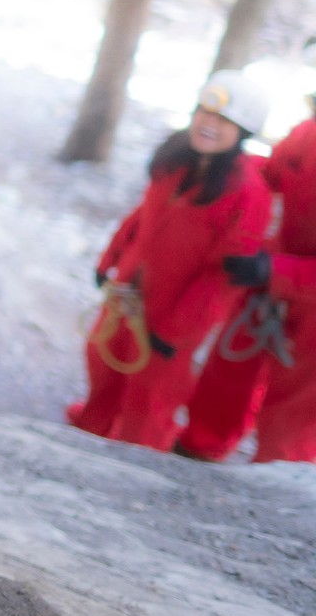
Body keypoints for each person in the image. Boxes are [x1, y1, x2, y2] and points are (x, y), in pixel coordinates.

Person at [67, 74, 274, 452]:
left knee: (151, 392)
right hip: (129, 292)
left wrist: (175, 331)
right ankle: (91, 428)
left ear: (243, 131)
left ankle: (139, 457)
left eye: (223, 120)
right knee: (104, 360)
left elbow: (221, 278)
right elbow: (142, 216)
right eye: (204, 112)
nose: (208, 124)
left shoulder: (248, 193)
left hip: (174, 313)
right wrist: (110, 260)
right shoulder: (176, 161)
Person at [177, 74, 315, 463]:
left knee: (298, 406)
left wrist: (277, 271)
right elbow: (274, 172)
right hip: (271, 275)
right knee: (231, 367)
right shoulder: (308, 133)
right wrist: (222, 158)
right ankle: (200, 444)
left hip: (292, 285)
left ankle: (280, 479)